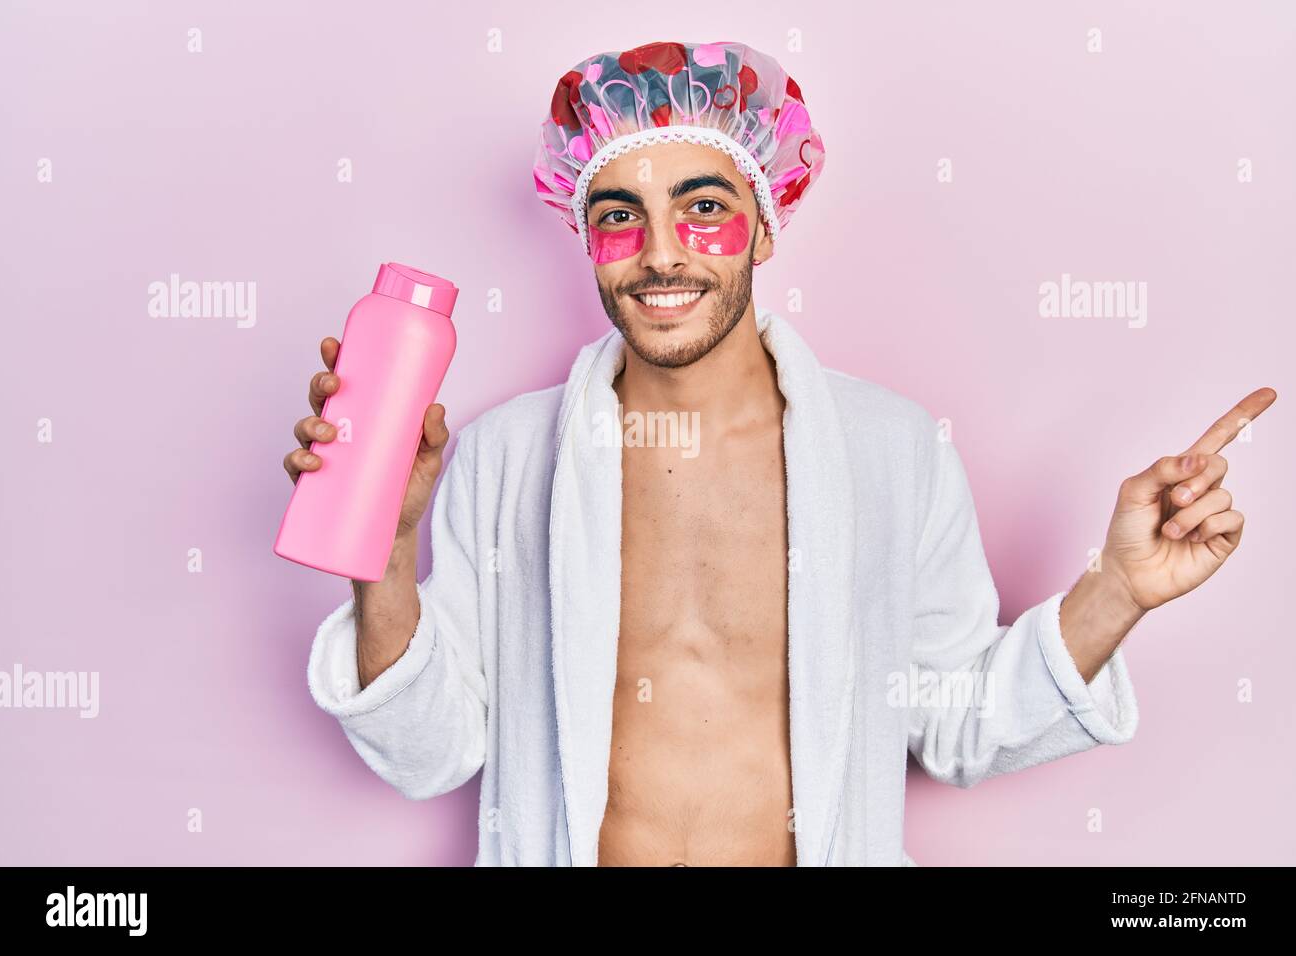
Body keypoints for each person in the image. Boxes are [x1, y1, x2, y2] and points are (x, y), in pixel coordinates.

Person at [283, 40, 1276, 866]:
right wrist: (385, 544)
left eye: (702, 208)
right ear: (584, 236)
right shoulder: (506, 456)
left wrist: (1118, 591)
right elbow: (432, 750)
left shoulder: (889, 450)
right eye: (618, 216)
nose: (661, 253)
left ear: (764, 226)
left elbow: (956, 721)